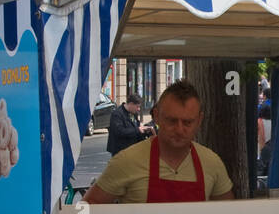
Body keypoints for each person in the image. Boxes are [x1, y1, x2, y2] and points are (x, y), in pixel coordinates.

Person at [84, 79, 234, 204]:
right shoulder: (127, 161)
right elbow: (84, 211)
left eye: (187, 122)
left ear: (199, 120)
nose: (179, 129)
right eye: (172, 121)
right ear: (157, 116)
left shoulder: (212, 163)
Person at [106, 92, 151, 156]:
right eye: (137, 106)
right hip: (120, 151)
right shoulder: (117, 114)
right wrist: (138, 130)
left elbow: (135, 128)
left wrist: (144, 131)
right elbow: (120, 131)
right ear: (131, 104)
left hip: (132, 150)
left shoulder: (133, 113)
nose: (139, 109)